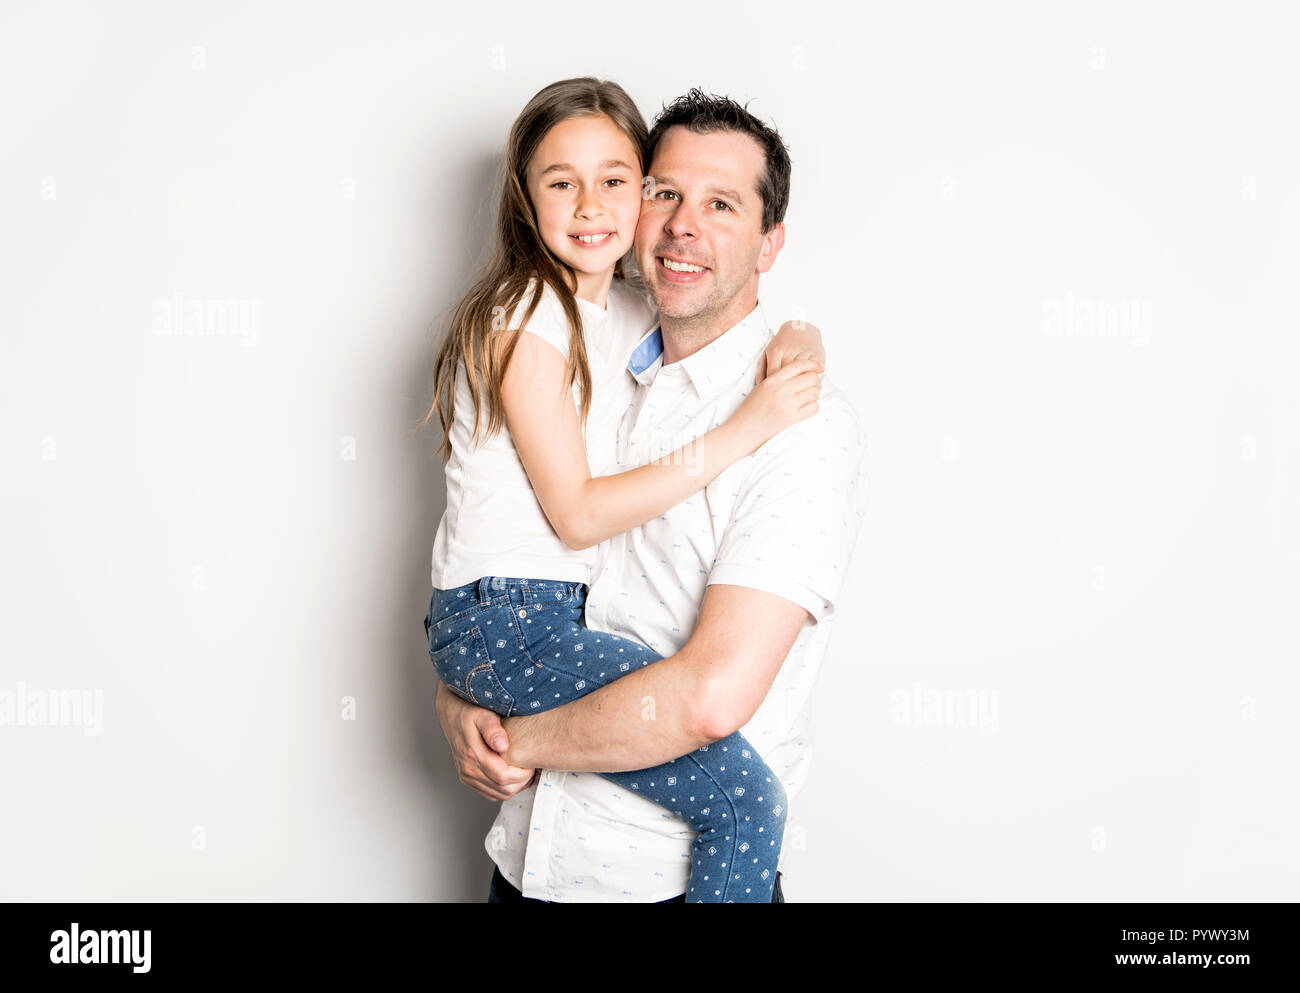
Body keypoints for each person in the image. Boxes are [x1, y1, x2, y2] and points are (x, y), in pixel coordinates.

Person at [435, 86, 870, 903]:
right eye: (665, 193)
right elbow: (501, 556)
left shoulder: (802, 427)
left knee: (744, 805)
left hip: (659, 884)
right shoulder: (596, 332)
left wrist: (514, 735)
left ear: (770, 242)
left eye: (722, 204)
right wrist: (458, 700)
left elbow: (708, 699)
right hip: (528, 861)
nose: (682, 226)